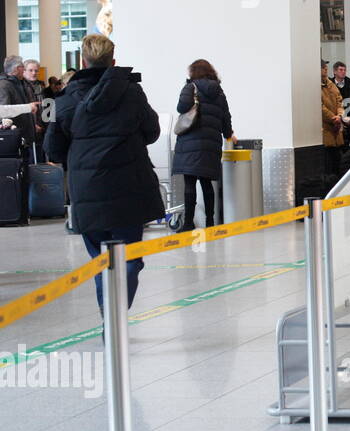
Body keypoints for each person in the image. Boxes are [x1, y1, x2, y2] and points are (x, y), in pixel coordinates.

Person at [45, 34, 163, 313]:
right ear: (113, 61)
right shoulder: (131, 92)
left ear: (83, 62)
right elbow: (152, 131)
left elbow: (53, 150)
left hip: (87, 192)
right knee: (130, 258)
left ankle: (108, 317)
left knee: (101, 259)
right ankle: (115, 313)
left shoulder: (62, 101)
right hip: (129, 188)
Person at [172, 59, 234, 231]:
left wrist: (188, 89)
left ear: (193, 72)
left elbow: (181, 107)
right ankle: (210, 222)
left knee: (190, 184)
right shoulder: (219, 92)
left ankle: (189, 223)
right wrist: (228, 135)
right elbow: (226, 117)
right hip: (211, 144)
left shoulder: (191, 88)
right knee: (207, 184)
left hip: (190, 143)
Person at [0, 55, 37, 147]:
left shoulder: (19, 83)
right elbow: (5, 113)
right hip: (15, 138)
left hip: (24, 135)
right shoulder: (4, 85)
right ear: (16, 68)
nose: (24, 69)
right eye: (22, 67)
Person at [321, 60, 346, 180]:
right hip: (325, 131)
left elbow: (339, 101)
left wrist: (340, 116)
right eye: (322, 68)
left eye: (325, 67)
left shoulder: (331, 84)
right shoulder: (314, 86)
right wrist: (333, 118)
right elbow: (319, 107)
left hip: (336, 131)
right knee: (327, 166)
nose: (325, 69)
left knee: (338, 166)